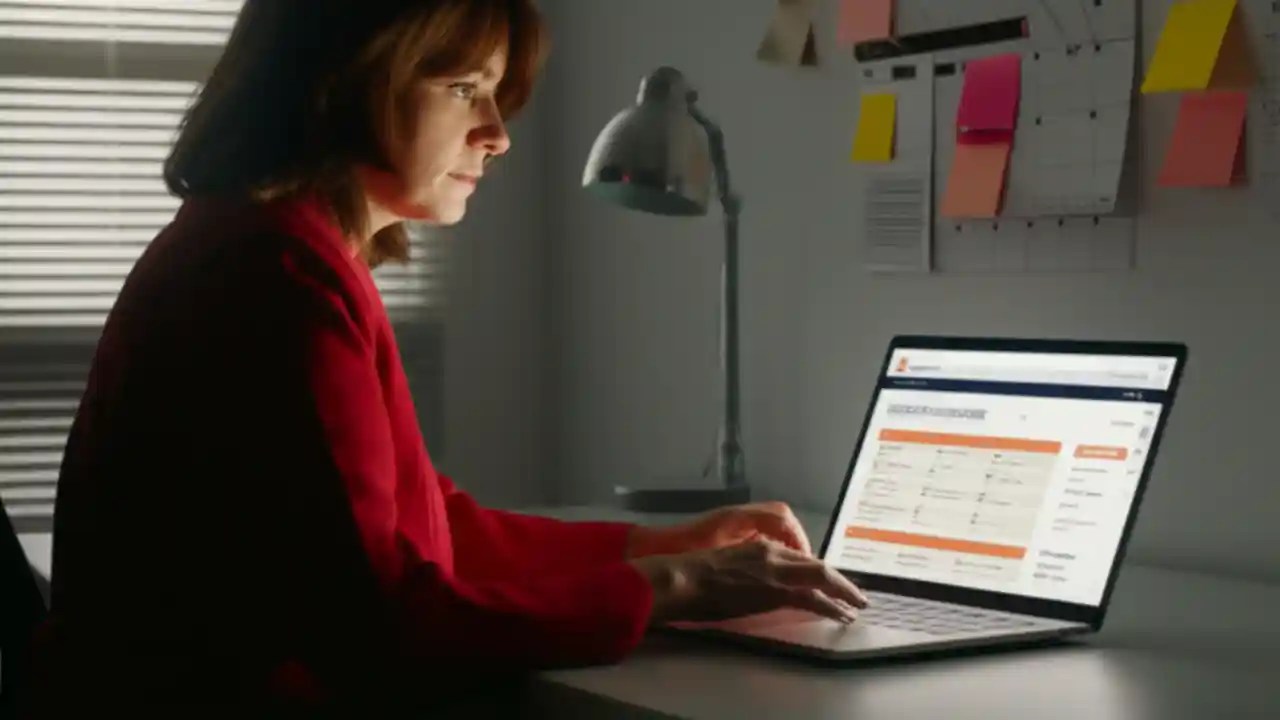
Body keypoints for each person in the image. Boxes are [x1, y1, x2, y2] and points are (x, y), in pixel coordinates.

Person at [25, 0, 867, 714]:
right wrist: (683, 588)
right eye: (465, 89)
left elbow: (427, 528)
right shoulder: (273, 273)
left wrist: (666, 550)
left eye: (495, 95)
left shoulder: (286, 249)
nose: (497, 134)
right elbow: (386, 618)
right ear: (346, 81)